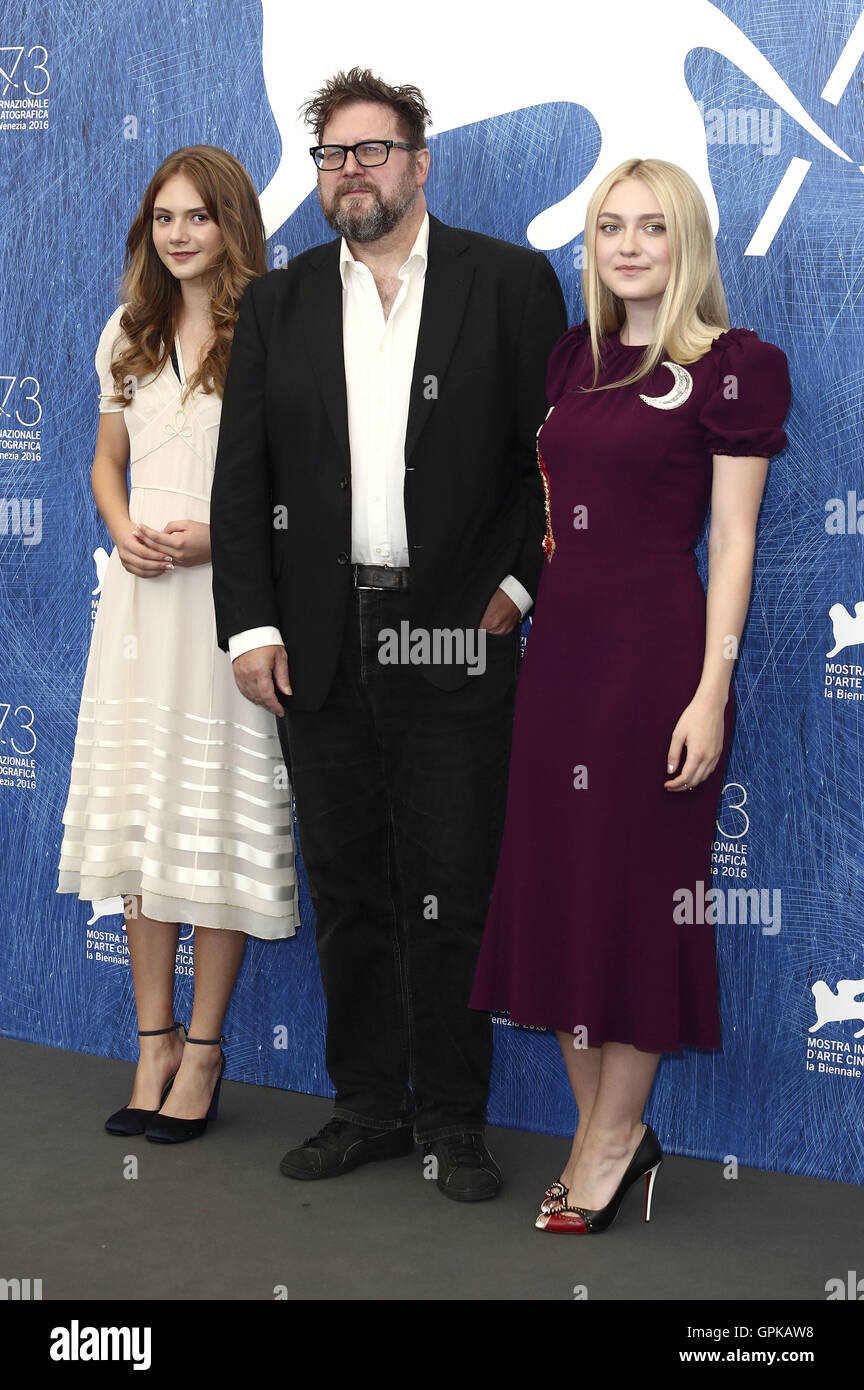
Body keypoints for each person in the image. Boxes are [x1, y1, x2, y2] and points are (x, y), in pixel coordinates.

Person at [210, 68, 567, 1200]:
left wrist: (513, 587)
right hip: (316, 638)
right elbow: (243, 479)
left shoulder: (509, 285)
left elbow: (545, 465)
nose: (348, 171)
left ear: (420, 161)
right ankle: (367, 1105)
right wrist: (252, 626)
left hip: (452, 633)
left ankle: (455, 1124)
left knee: (450, 885)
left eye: (371, 151)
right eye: (330, 155)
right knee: (351, 884)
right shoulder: (278, 300)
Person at [470, 157, 792, 1231]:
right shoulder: (574, 359)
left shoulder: (733, 368)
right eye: (612, 226)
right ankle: (607, 1127)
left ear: (688, 241)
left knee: (642, 903)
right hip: (562, 662)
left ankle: (610, 1139)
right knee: (561, 895)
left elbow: (735, 540)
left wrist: (713, 691)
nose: (630, 245)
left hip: (661, 665)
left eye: (654, 226)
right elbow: (557, 513)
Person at [57, 146, 299, 1144]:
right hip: (136, 606)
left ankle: (204, 1053)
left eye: (198, 215)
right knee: (145, 828)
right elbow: (106, 458)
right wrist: (119, 529)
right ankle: (150, 1041)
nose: (180, 232)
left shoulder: (275, 331)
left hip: (226, 607)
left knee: (217, 827)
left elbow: (298, 488)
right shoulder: (131, 329)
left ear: (233, 221)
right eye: (164, 217)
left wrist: (221, 539)